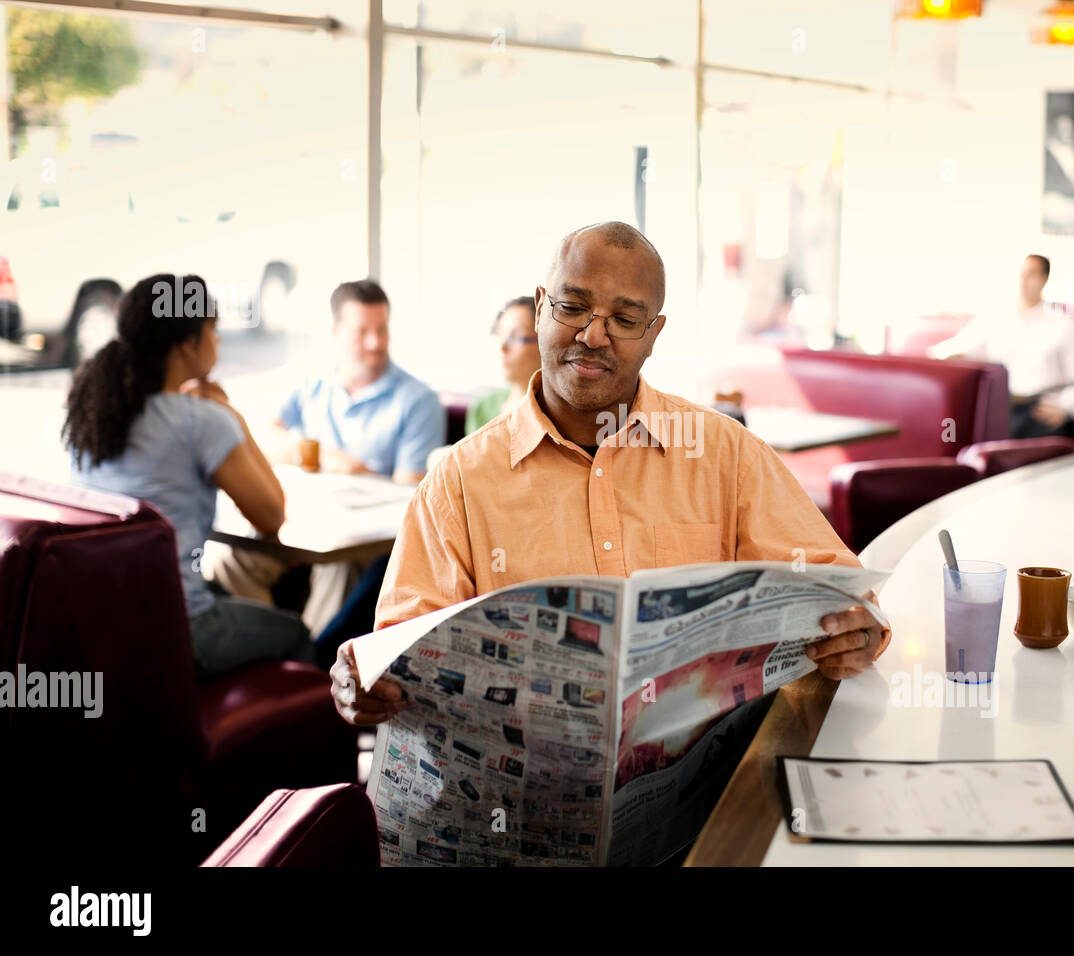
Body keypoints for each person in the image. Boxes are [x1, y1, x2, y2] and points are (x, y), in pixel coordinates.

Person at [330, 221, 891, 727]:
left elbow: (841, 595)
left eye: (625, 320)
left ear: (654, 334)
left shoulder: (727, 455)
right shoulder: (457, 482)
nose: (594, 336)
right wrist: (365, 685)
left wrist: (856, 633)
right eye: (573, 308)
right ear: (542, 304)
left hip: (705, 792)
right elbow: (397, 657)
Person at [64, 273, 317, 681]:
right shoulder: (201, 420)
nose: (218, 342)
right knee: (297, 632)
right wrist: (232, 415)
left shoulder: (92, 414)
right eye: (212, 331)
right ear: (187, 342)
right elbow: (272, 515)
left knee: (234, 599)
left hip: (102, 616)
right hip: (175, 625)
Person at [207, 279, 445, 636]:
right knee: (235, 562)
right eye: (362, 331)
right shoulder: (313, 383)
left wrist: (356, 474)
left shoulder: (417, 400)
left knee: (341, 566)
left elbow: (409, 497)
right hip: (306, 521)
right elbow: (264, 436)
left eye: (382, 329)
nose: (375, 342)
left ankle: (315, 667)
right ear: (336, 333)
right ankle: (270, 660)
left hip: (360, 538)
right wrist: (327, 459)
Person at [928, 254, 1074, 439]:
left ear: (1044, 279)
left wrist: (1065, 408)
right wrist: (942, 358)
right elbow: (955, 348)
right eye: (1020, 274)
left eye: (1030, 274)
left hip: (1038, 413)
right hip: (998, 407)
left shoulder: (1066, 326)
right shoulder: (994, 319)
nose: (1023, 280)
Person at [464, 296, 542, 435]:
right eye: (501, 335)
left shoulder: (561, 412)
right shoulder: (483, 408)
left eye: (516, 337)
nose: (503, 347)